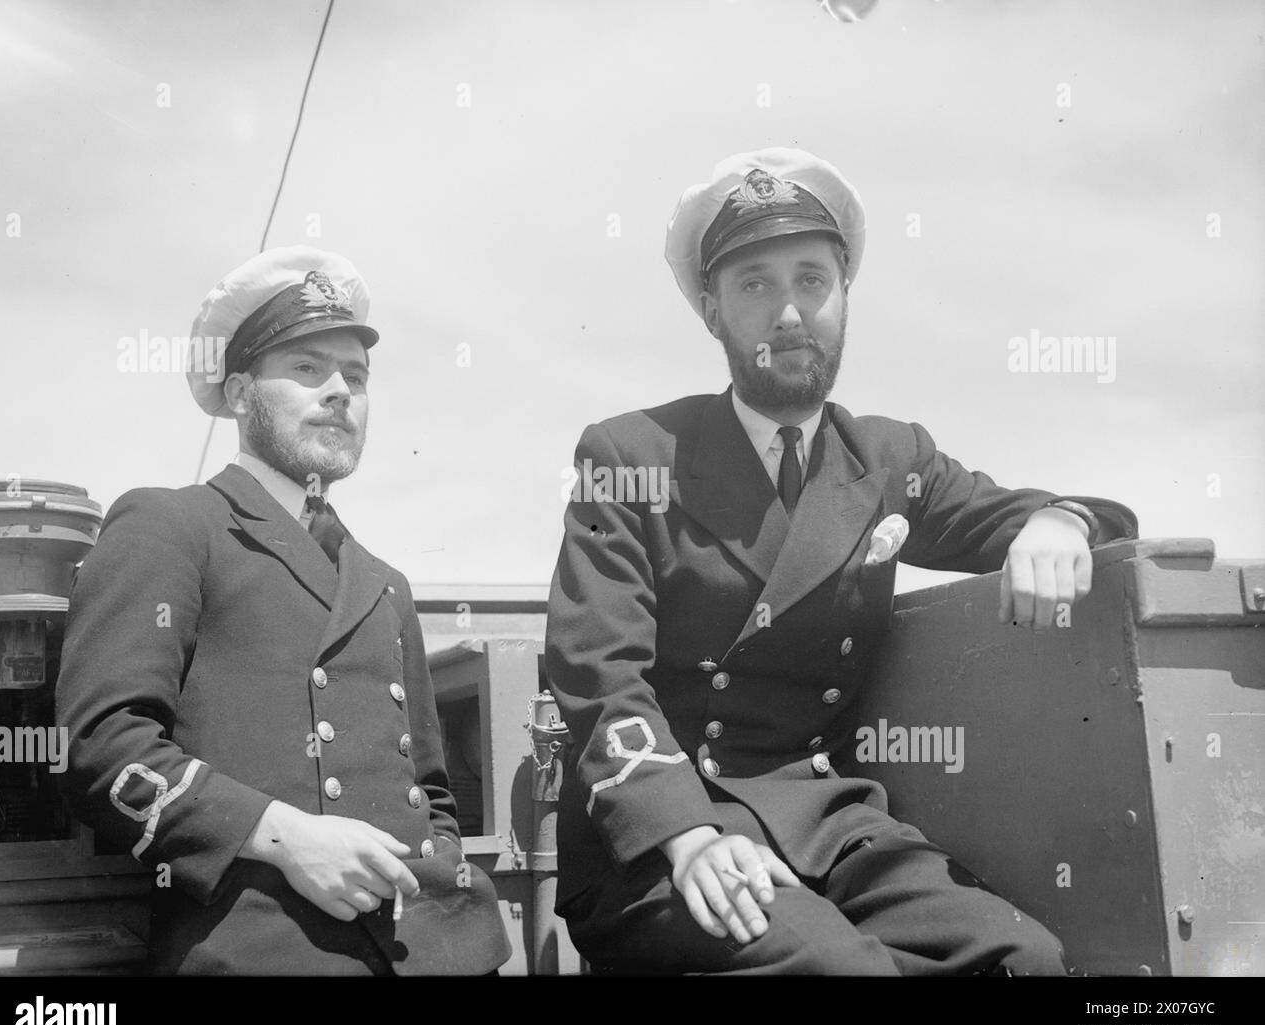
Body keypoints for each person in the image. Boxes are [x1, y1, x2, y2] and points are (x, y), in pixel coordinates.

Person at [544, 149, 1139, 975]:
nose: (789, 312)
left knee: (1023, 958)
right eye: (755, 285)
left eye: (812, 280)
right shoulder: (632, 453)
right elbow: (596, 670)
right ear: (713, 313)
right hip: (663, 829)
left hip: (826, 817)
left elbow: (1049, 515)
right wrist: (684, 836)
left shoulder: (891, 458)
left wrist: (1060, 520)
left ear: (844, 297)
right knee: (838, 969)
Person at [56, 246, 510, 975]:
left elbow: (430, 790)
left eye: (356, 377)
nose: (340, 392)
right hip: (267, 944)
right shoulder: (170, 527)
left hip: (439, 945)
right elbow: (102, 743)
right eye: (307, 370)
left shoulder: (385, 583)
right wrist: (284, 835)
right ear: (239, 393)